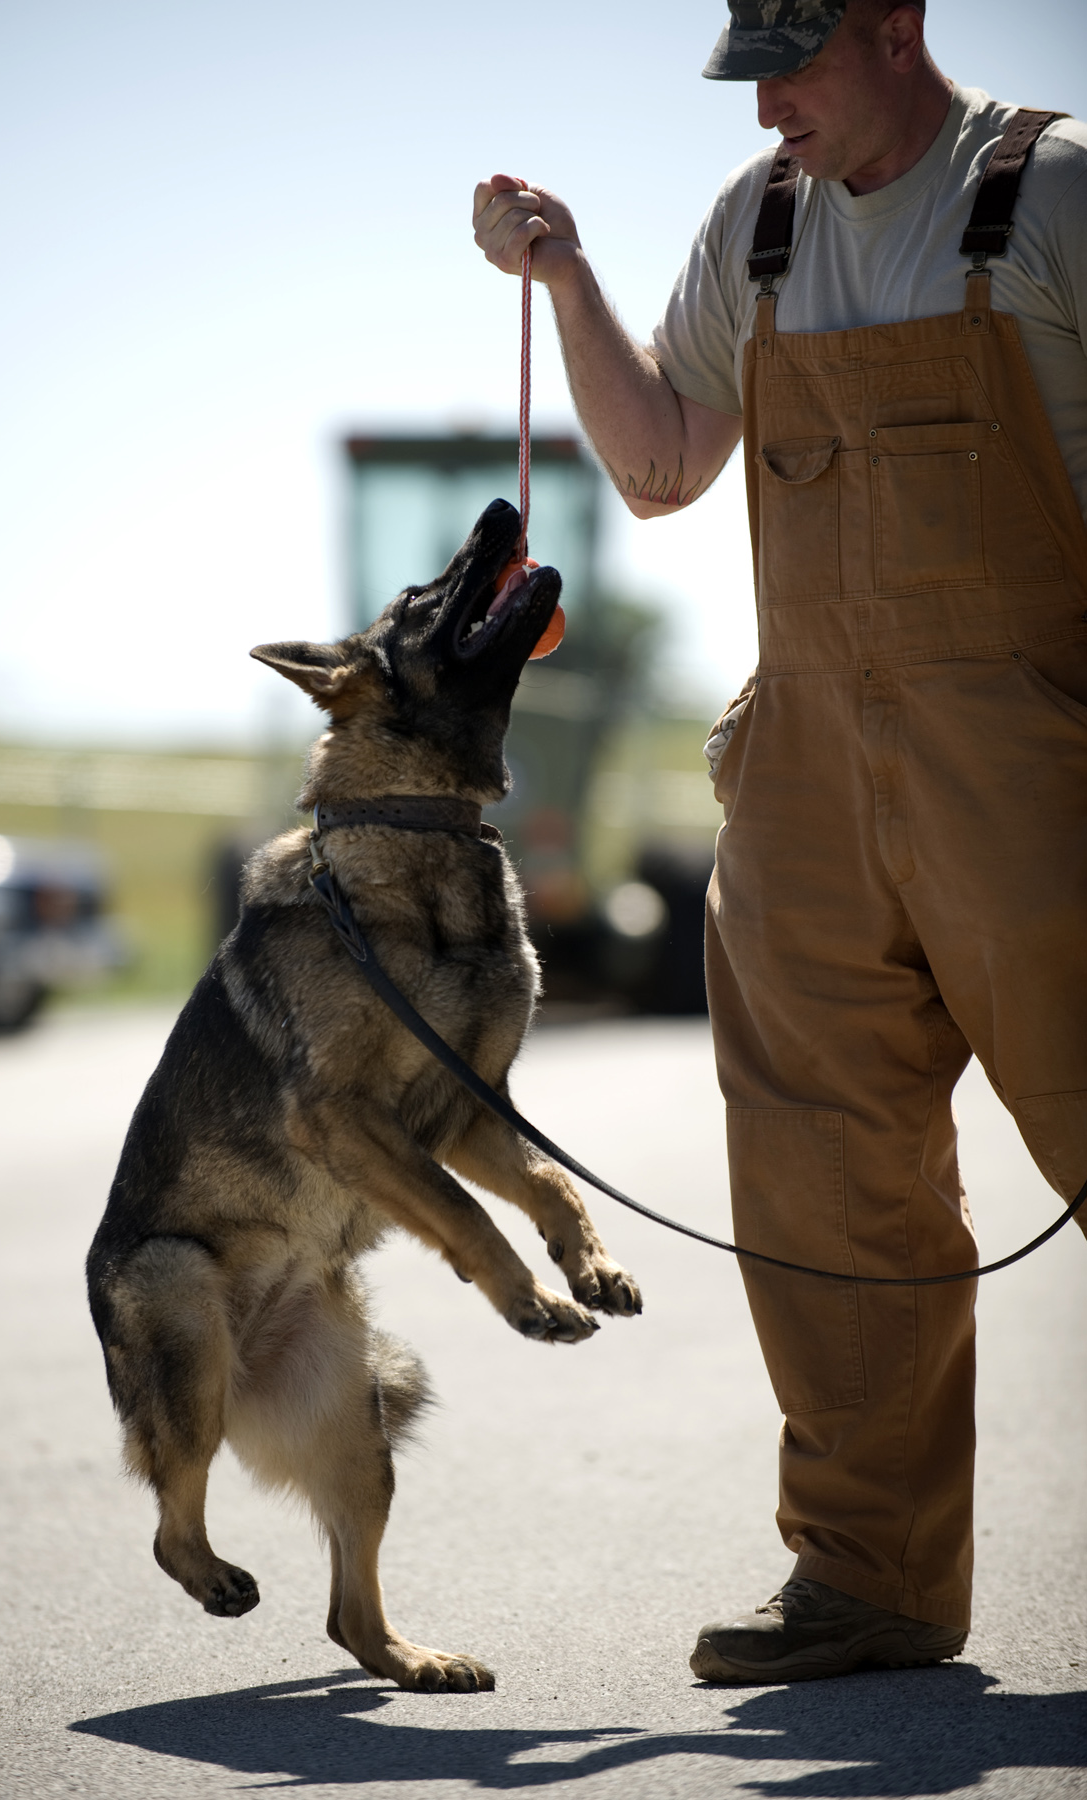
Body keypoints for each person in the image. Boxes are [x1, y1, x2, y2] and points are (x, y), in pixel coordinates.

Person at [473, 0, 1087, 1683]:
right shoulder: (753, 225)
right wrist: (566, 282)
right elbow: (660, 465)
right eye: (746, 77)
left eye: (792, 69)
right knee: (824, 1181)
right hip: (806, 771)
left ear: (895, 26)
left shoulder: (1051, 196)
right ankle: (871, 1575)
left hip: (1033, 762)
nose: (765, 112)